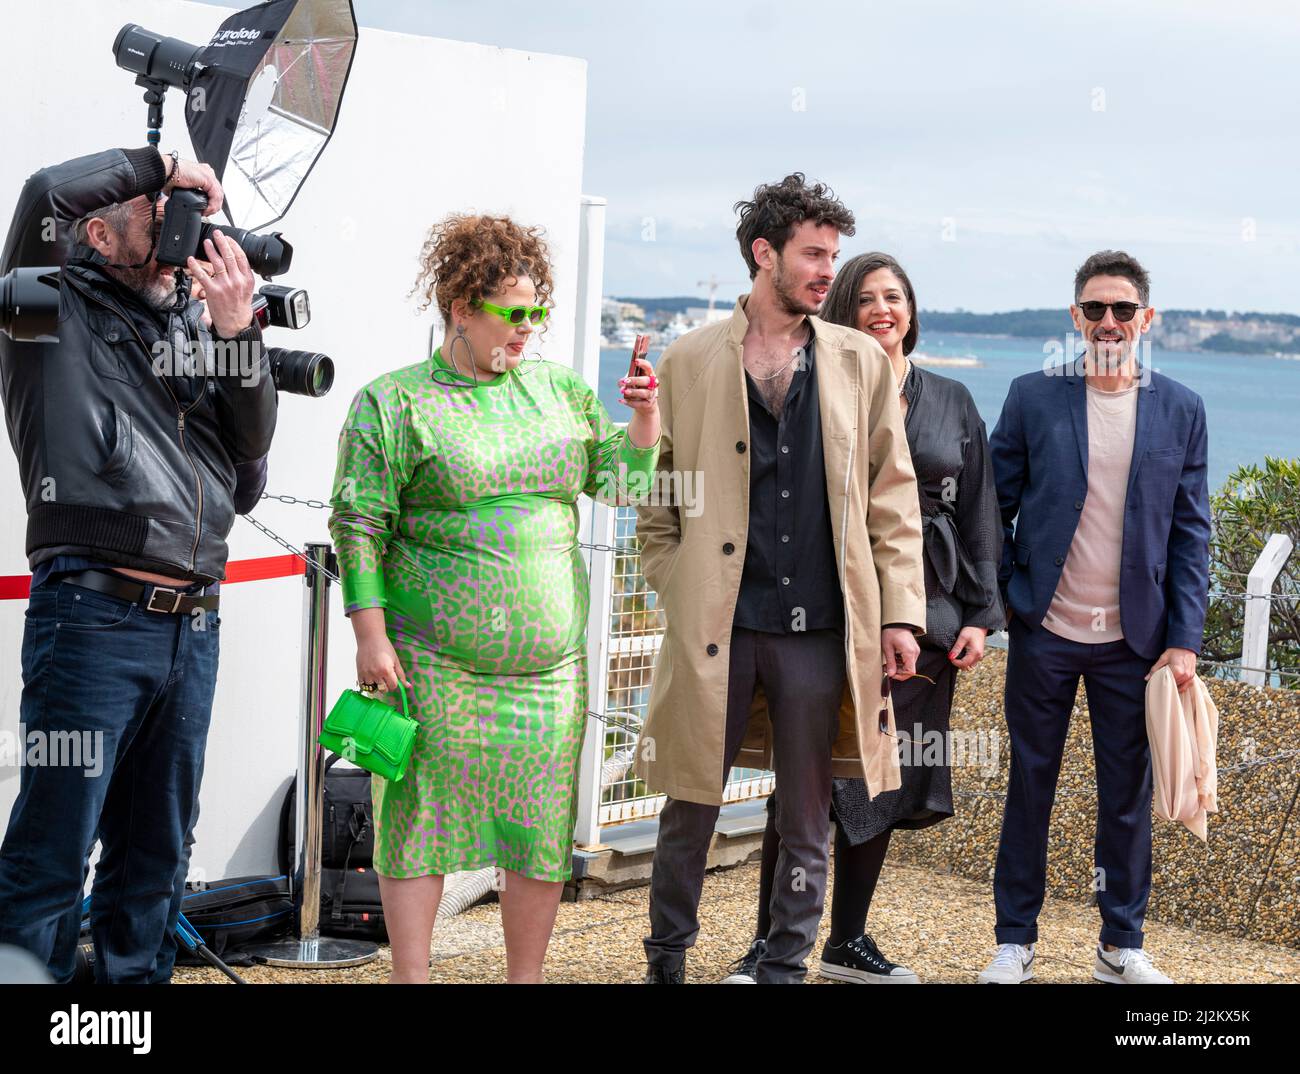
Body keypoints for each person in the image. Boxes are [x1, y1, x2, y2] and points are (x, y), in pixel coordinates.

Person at [328, 213, 659, 984]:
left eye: (537, 311)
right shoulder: (394, 402)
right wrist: (370, 636)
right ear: (460, 309)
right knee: (416, 825)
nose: (529, 331)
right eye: (515, 315)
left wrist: (643, 418)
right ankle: (412, 977)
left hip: (548, 676)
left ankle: (526, 980)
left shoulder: (559, 391)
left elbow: (619, 484)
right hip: (434, 667)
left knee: (540, 831)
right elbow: (358, 522)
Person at [635, 176, 927, 984]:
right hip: (716, 629)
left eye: (832, 255)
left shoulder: (861, 361)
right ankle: (666, 964)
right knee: (688, 808)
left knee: (806, 816)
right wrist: (677, 580)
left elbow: (892, 498)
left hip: (821, 632)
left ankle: (785, 969)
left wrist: (900, 616)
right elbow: (659, 502)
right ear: (765, 254)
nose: (826, 270)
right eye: (812, 254)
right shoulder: (691, 358)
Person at [0, 146, 277, 983]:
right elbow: (44, 191)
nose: (180, 230)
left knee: (156, 859)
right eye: (158, 215)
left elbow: (252, 464)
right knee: (54, 849)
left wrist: (239, 338)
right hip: (90, 617)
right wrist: (164, 163)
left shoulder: (189, 330)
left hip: (192, 625)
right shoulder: (43, 307)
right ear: (96, 229)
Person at [727, 252, 1004, 983]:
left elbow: (979, 511)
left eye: (895, 296)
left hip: (928, 619)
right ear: (841, 312)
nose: (882, 309)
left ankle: (846, 940)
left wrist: (981, 613)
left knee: (883, 785)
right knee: (805, 782)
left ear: (911, 310)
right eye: (866, 298)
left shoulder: (953, 399)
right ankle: (768, 945)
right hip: (831, 610)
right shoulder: (813, 386)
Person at [981, 250, 1211, 984]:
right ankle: (1013, 940)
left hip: (1134, 643)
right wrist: (1007, 599)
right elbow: (993, 508)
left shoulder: (1182, 408)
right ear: (1073, 318)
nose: (1107, 322)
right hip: (1045, 632)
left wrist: (1183, 640)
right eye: (1094, 309)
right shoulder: (1031, 395)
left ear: (1147, 319)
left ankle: (1121, 943)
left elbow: (1190, 532)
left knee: (1126, 798)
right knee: (1029, 786)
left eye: (1122, 309)